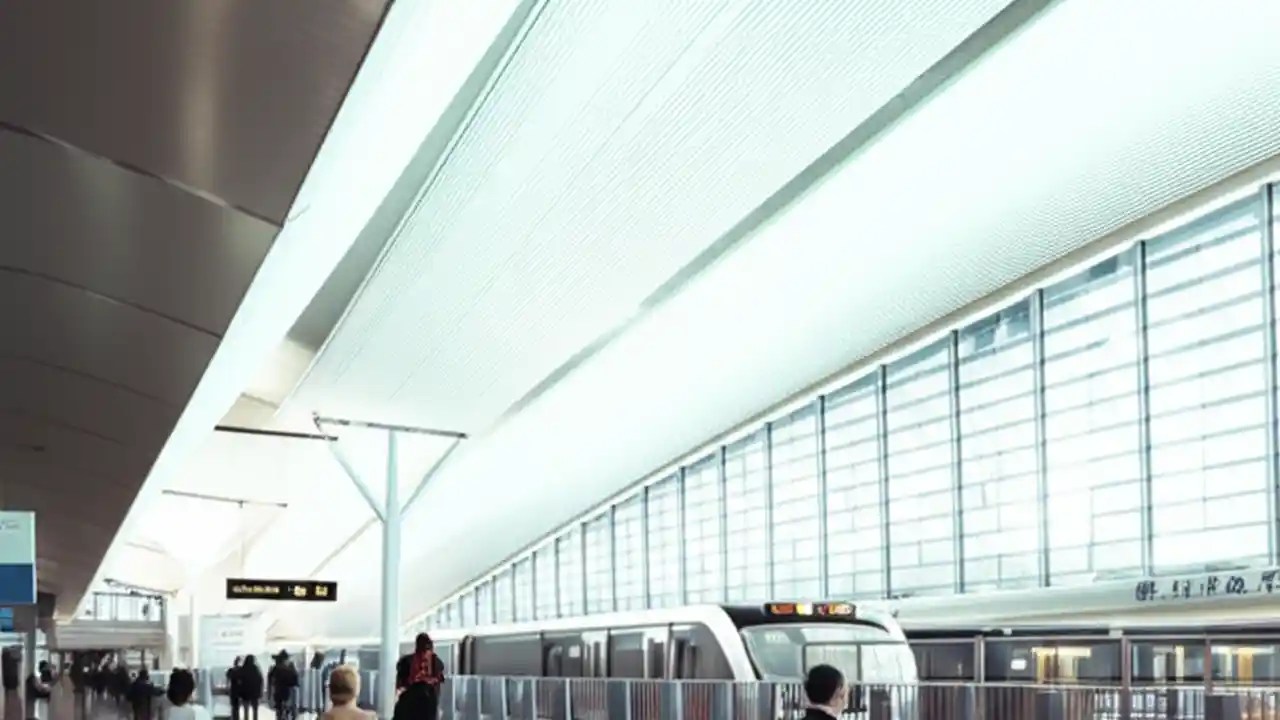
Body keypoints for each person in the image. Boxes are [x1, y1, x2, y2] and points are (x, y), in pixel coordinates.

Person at [393, 634, 445, 720]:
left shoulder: (406, 662)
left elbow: (400, 686)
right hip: (428, 704)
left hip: (410, 704)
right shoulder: (437, 663)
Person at [269, 653, 298, 720]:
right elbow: (295, 681)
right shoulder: (289, 669)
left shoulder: (275, 669)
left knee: (279, 710)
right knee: (287, 710)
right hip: (287, 693)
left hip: (278, 692)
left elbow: (271, 679)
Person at [237, 656, 263, 720]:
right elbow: (260, 680)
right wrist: (260, 691)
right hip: (255, 693)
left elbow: (239, 680)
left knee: (246, 710)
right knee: (255, 710)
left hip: (245, 693)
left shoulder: (243, 669)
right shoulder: (256, 669)